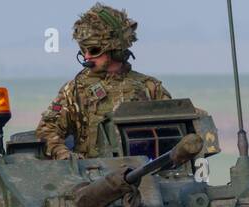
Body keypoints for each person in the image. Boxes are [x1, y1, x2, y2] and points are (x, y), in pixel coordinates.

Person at [35, 4, 171, 160]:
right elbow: (47, 130)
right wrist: (65, 156)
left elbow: (174, 130)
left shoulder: (149, 87)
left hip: (145, 173)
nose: (86, 57)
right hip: (94, 177)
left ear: (115, 50)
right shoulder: (75, 90)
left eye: (93, 50)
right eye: (82, 50)